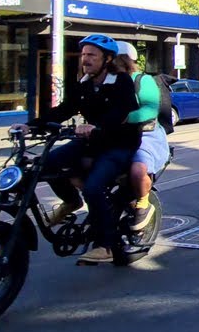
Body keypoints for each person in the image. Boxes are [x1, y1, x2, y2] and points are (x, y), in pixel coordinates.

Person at [26, 34, 141, 265]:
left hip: (118, 143)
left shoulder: (121, 82)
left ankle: (105, 245)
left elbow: (122, 111)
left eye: (91, 55)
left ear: (107, 59)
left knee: (93, 187)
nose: (85, 59)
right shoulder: (84, 82)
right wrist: (31, 125)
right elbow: (66, 108)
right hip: (92, 140)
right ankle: (70, 201)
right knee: (44, 163)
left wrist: (97, 126)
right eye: (83, 54)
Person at [114, 42, 171, 234]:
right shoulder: (102, 81)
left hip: (144, 134)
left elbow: (149, 109)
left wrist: (123, 119)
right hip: (113, 135)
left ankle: (143, 203)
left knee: (138, 170)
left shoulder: (141, 80)